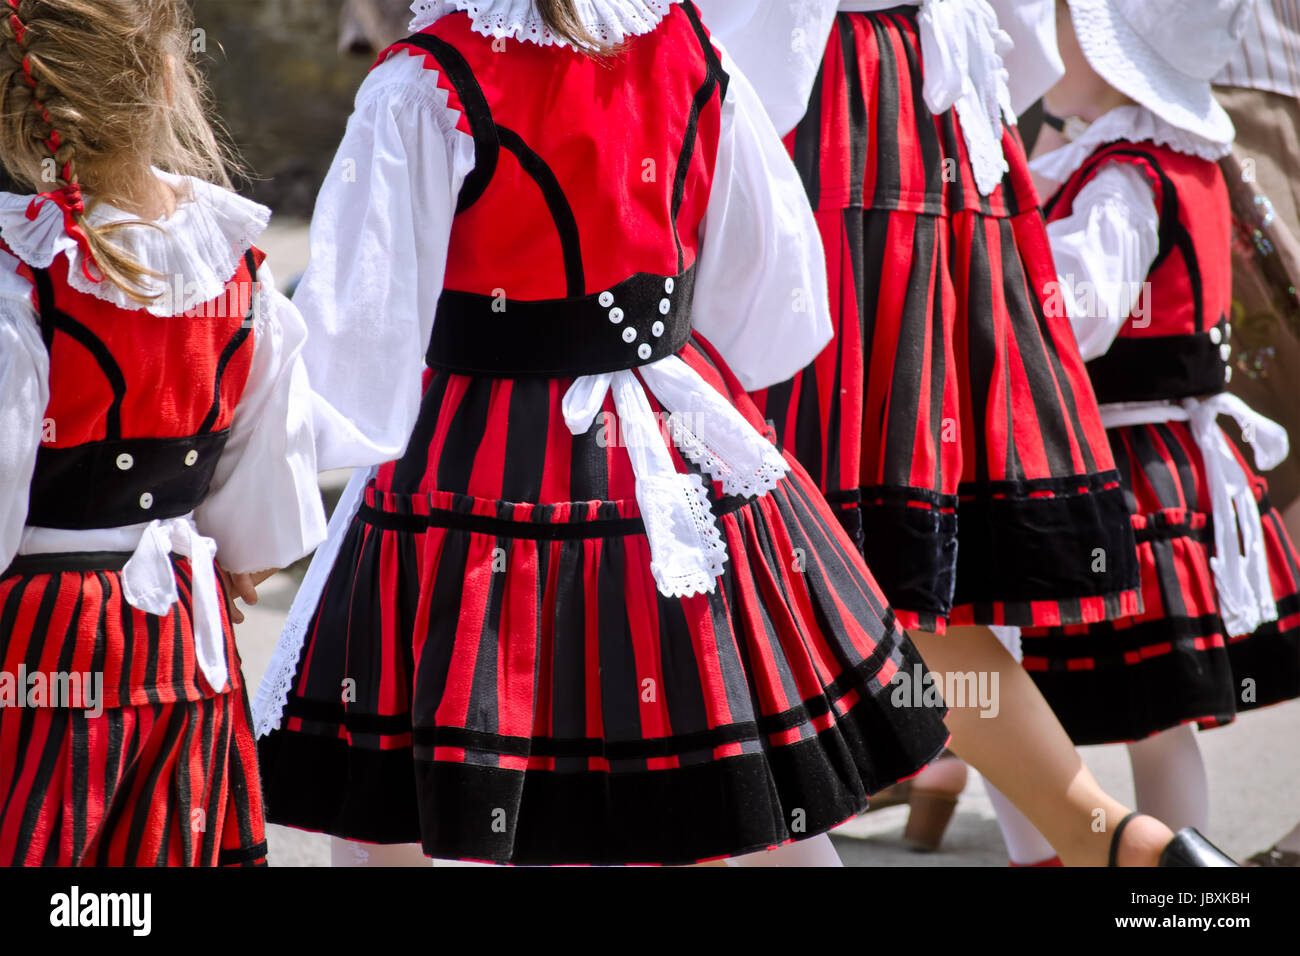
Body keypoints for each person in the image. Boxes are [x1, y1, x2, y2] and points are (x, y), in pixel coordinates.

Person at [253, 0, 953, 868]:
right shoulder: (688, 44)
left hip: (476, 454)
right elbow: (770, 293)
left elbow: (356, 345)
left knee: (434, 793)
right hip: (679, 426)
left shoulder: (420, 83)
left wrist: (272, 494)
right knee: (736, 769)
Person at [695, 0, 1239, 866]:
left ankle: (1087, 839)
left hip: (828, 126)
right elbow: (1023, 40)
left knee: (794, 561)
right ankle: (1106, 842)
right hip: (931, 123)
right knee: (894, 574)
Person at [0, 0, 326, 864]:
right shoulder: (242, 278)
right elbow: (260, 537)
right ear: (172, 79)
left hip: (37, 656)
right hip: (184, 649)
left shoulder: (20, 287)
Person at [990, 0, 1300, 862]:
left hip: (1116, 468)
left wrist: (1008, 273)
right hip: (1172, 460)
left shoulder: (1124, 177)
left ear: (1110, 66)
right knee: (1157, 721)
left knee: (1009, 696)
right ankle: (1174, 872)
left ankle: (1104, 864)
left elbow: (1080, 316)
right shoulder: (1184, 162)